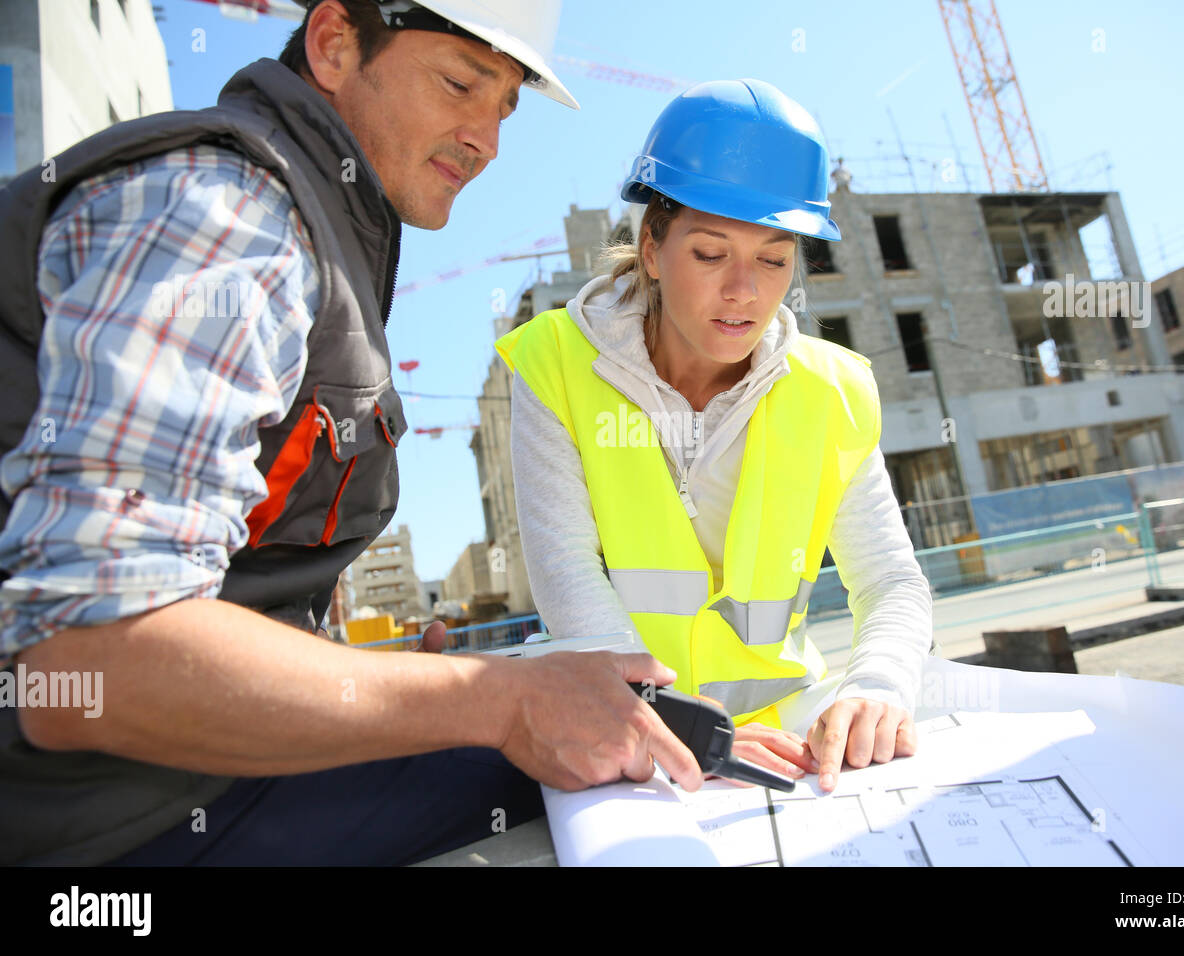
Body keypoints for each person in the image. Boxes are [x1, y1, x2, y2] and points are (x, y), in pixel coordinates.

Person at [0, 0, 702, 867]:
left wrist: (400, 679)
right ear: (334, 44)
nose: (486, 140)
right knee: (588, 784)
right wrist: (492, 700)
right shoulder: (226, 214)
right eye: (459, 84)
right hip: (90, 820)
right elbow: (88, 662)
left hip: (160, 781)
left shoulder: (321, 227)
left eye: (506, 107)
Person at [498, 79, 933, 794]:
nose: (744, 292)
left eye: (773, 258)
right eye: (709, 254)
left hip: (791, 743)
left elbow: (890, 581)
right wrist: (682, 726)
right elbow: (568, 580)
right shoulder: (555, 366)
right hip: (623, 729)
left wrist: (880, 686)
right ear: (650, 250)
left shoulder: (833, 392)